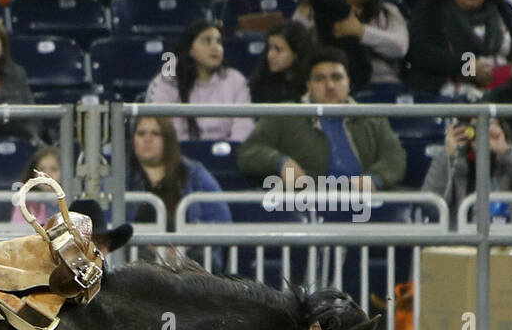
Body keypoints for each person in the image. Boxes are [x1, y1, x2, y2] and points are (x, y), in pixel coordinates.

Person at [238, 47, 407, 192]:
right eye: (320, 79)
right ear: (308, 85)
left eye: (337, 77)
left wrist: (374, 179)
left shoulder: (372, 118)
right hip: (306, 204)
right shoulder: (285, 114)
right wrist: (280, 162)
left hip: (362, 202)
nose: (330, 86)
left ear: (348, 82)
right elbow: (248, 152)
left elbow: (394, 158)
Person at [268, 0, 407, 92]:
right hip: (330, 84)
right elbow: (295, 45)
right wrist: (304, 10)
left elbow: (400, 47)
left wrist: (361, 32)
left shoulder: (387, 11)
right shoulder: (319, 11)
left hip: (384, 86)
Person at [406, 0, 512, 98]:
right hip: (450, 96)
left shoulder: (503, 11)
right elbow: (423, 54)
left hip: (504, 94)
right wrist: (468, 66)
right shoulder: (432, 12)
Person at [126, 116, 232, 271]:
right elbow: (111, 226)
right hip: (140, 255)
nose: (147, 139)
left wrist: (183, 245)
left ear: (168, 139)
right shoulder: (122, 178)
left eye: (155, 133)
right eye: (141, 134)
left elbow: (221, 221)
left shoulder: (194, 174)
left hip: (189, 256)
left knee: (202, 257)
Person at [144, 21, 253, 143]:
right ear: (190, 49)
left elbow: (244, 127)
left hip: (225, 154)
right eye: (207, 41)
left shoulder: (236, 80)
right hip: (177, 154)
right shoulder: (166, 81)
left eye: (218, 42)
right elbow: (163, 129)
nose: (215, 47)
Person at [422, 118, 512, 221]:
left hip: (508, 233)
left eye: (489, 125)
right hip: (462, 234)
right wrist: (448, 156)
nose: (482, 133)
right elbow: (429, 206)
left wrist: (506, 153)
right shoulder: (453, 158)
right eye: (476, 127)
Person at [248, 21, 316, 103]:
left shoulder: (312, 85)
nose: (270, 55)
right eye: (269, 48)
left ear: (296, 53)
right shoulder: (258, 85)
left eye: (278, 49)